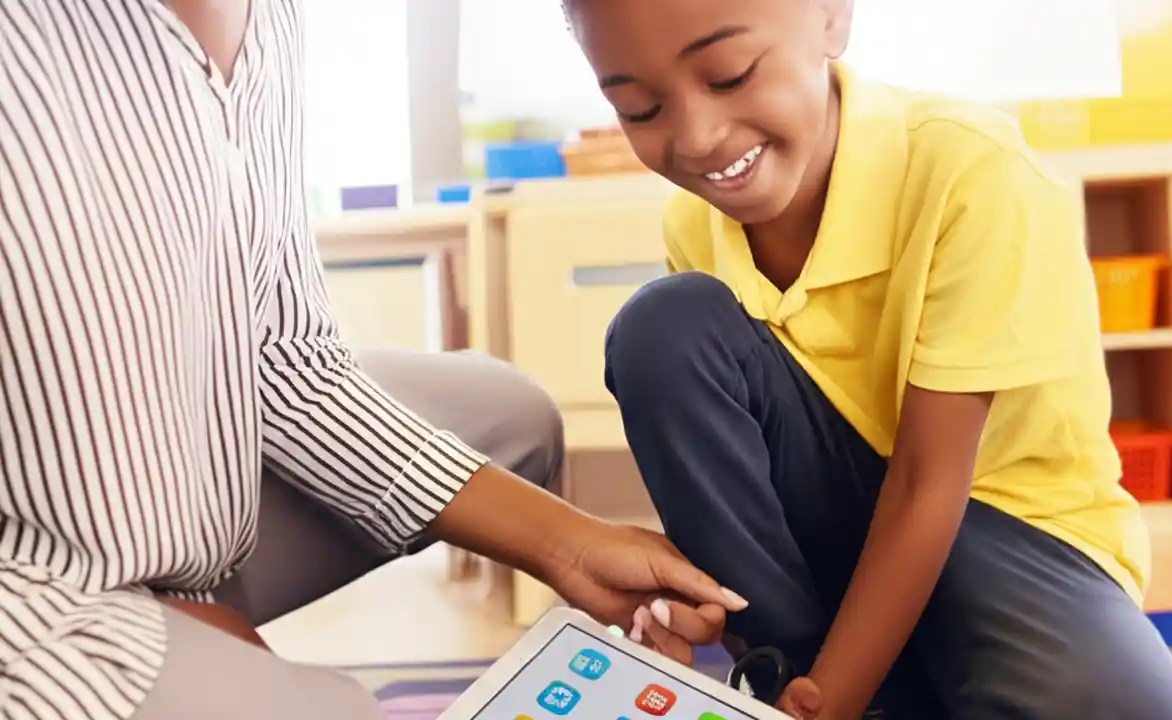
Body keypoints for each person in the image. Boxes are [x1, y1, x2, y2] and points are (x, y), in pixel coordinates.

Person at [0, 2, 744, 718]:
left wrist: (570, 547)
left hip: (150, 518)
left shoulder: (268, 19)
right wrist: (130, 647)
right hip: (25, 590)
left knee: (507, 416)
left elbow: (285, 352)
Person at [562, 0, 1172, 717]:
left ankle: (862, 685)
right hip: (838, 546)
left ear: (832, 16)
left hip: (1012, 530)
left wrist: (833, 701)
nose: (698, 138)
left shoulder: (971, 167)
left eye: (730, 75)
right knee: (662, 328)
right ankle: (799, 674)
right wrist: (809, 688)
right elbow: (738, 468)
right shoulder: (696, 222)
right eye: (641, 109)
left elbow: (929, 478)